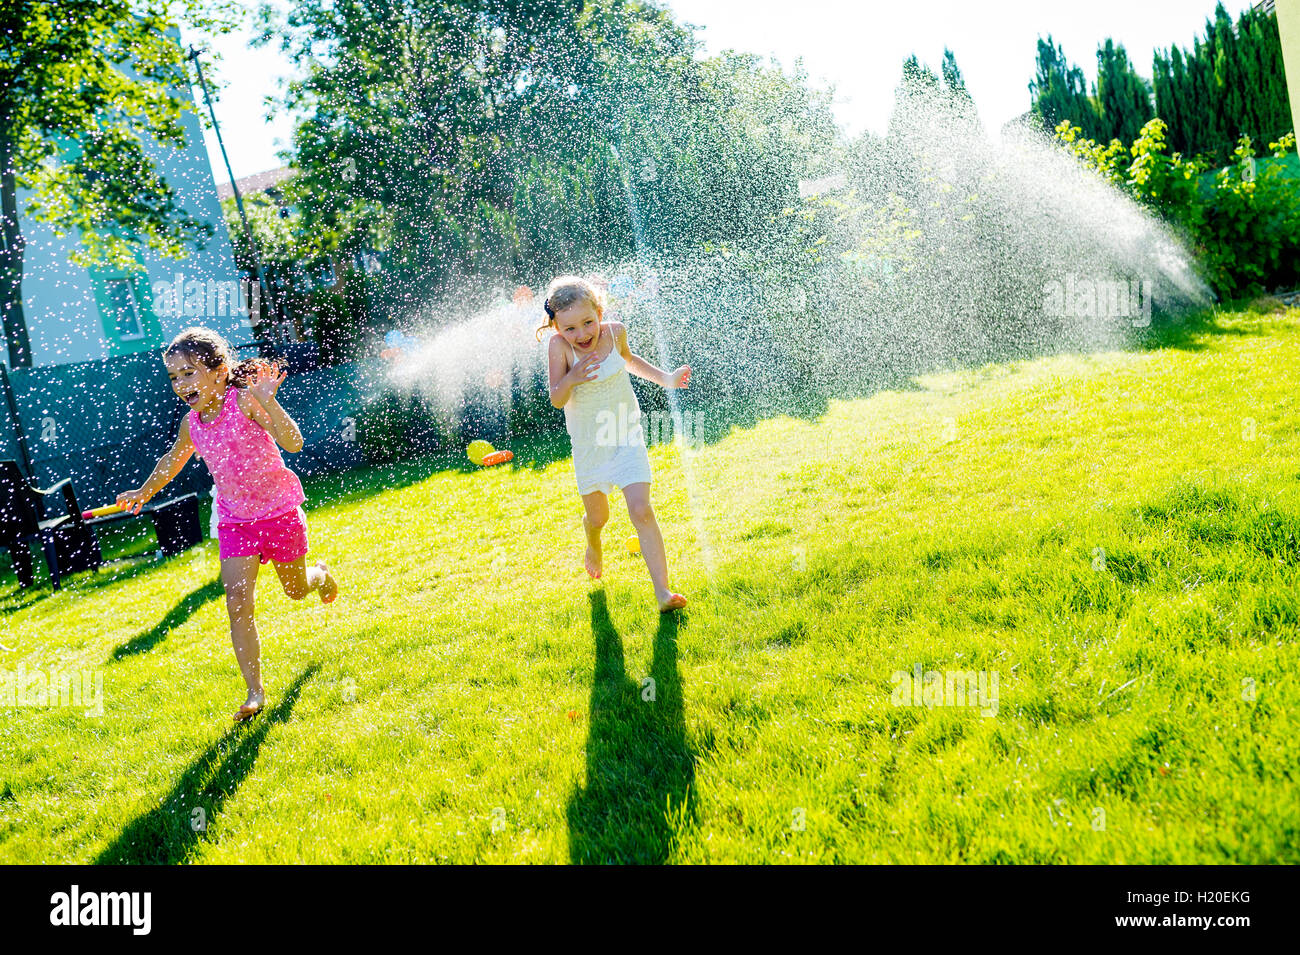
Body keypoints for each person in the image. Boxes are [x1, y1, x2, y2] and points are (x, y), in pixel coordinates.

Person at [117, 328, 338, 721]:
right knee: (237, 603)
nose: (181, 384)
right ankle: (255, 691)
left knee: (295, 590)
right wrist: (144, 491)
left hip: (279, 511)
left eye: (188, 373)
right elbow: (171, 461)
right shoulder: (193, 423)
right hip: (236, 520)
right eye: (174, 377)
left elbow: (294, 443)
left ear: (219, 371)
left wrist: (269, 401)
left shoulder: (246, 401)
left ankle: (318, 575)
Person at [539, 275, 691, 612]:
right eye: (571, 328)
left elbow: (629, 360)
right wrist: (572, 377)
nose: (582, 334)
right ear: (556, 327)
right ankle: (592, 541)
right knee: (598, 517)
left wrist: (666, 379)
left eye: (588, 322)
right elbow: (557, 399)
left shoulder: (615, 332)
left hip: (625, 434)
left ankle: (663, 593)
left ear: (599, 312)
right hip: (590, 446)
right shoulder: (559, 348)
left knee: (641, 508)